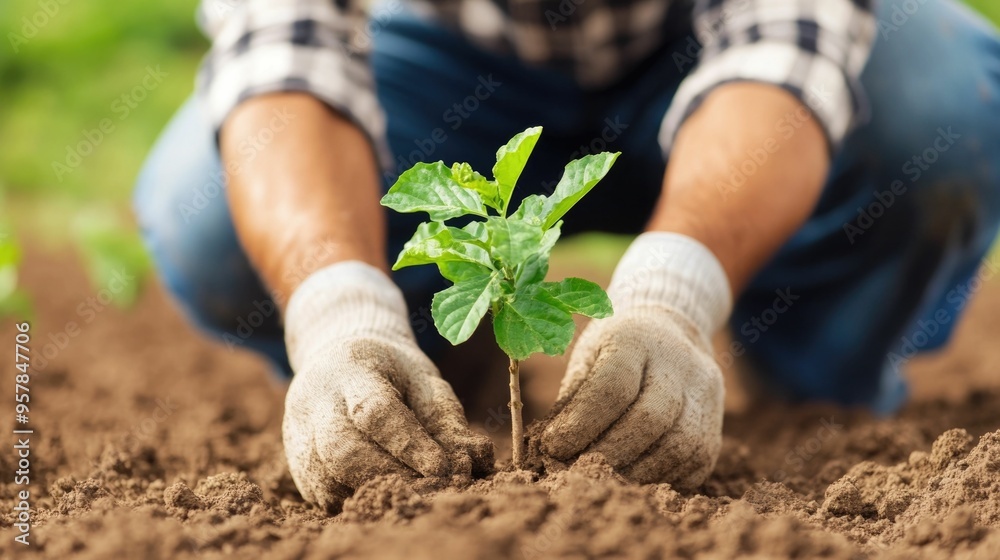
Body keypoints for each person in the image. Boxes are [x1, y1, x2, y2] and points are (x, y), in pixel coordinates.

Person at [134, 0, 1000, 511]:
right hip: (436, 51)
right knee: (201, 214)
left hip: (699, 39)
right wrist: (335, 312)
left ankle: (803, 383)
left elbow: (789, 37)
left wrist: (674, 295)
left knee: (942, 114)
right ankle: (431, 369)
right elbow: (281, 45)